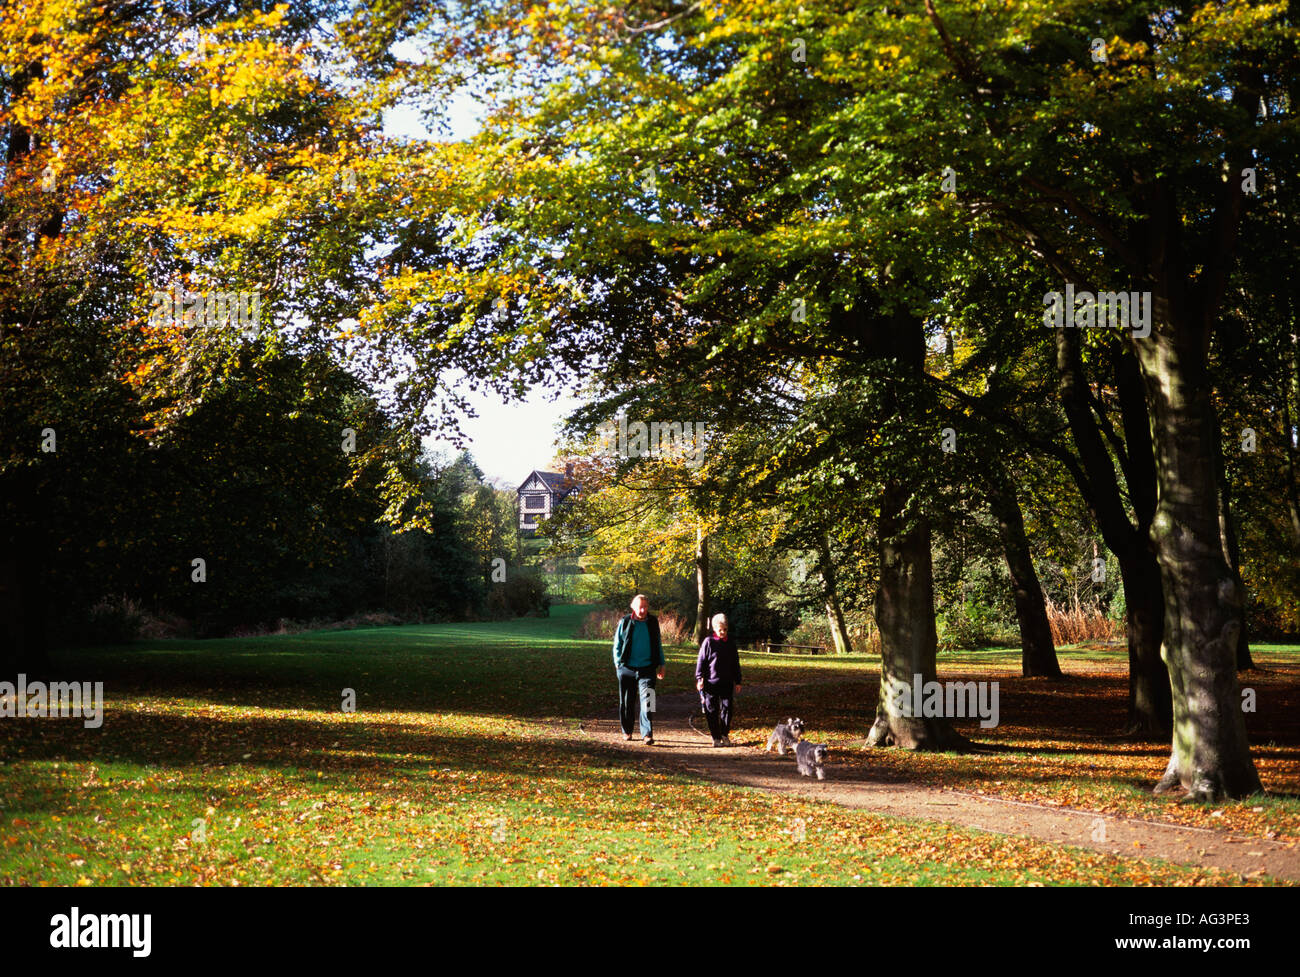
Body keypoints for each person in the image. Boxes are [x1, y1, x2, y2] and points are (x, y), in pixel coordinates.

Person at [612, 594, 665, 745]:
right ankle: (627, 731)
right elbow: (617, 644)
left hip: (648, 668)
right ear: (633, 607)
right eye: (640, 607)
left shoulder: (653, 622)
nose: (642, 610)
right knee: (626, 702)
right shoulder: (626, 621)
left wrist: (662, 664)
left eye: (645, 607)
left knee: (649, 700)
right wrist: (618, 664)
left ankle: (647, 733)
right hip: (627, 668)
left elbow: (658, 644)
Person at [695, 612, 742, 746]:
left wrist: (738, 681)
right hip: (711, 682)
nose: (722, 632)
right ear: (715, 629)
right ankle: (715, 737)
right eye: (719, 630)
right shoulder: (708, 642)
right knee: (712, 710)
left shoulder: (731, 644)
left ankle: (724, 734)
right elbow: (701, 661)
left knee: (727, 708)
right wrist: (700, 678)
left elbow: (735, 663)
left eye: (725, 629)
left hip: (727, 682)